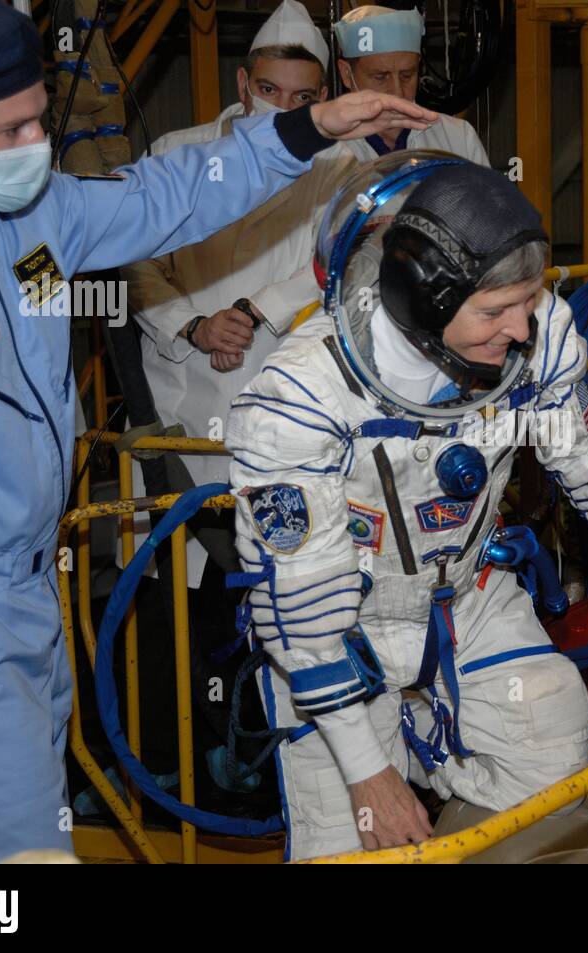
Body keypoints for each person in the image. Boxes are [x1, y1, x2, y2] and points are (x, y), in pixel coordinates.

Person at [0, 0, 436, 863]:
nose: (36, 147)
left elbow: (171, 196)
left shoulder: (28, 220)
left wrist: (308, 127)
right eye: (12, 127)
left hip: (26, 603)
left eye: (38, 120)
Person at [225, 157, 588, 859]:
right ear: (425, 302)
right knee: (358, 841)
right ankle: (381, 758)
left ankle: (437, 781)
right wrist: (368, 770)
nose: (523, 328)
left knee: (550, 724)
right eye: (496, 312)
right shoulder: (299, 400)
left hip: (462, 601)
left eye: (528, 301)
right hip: (344, 632)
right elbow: (302, 609)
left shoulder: (541, 340)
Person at [122, 0, 358, 590]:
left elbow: (341, 259)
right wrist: (194, 325)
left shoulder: (341, 163)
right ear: (242, 84)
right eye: (269, 90)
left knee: (293, 587)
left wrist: (256, 313)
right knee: (181, 592)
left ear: (323, 97)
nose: (283, 109)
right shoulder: (178, 154)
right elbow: (134, 259)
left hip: (290, 396)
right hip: (184, 396)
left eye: (303, 99)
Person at [334, 5, 489, 165]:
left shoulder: (458, 139)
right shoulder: (324, 152)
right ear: (346, 74)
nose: (397, 92)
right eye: (380, 77)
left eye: (407, 75)